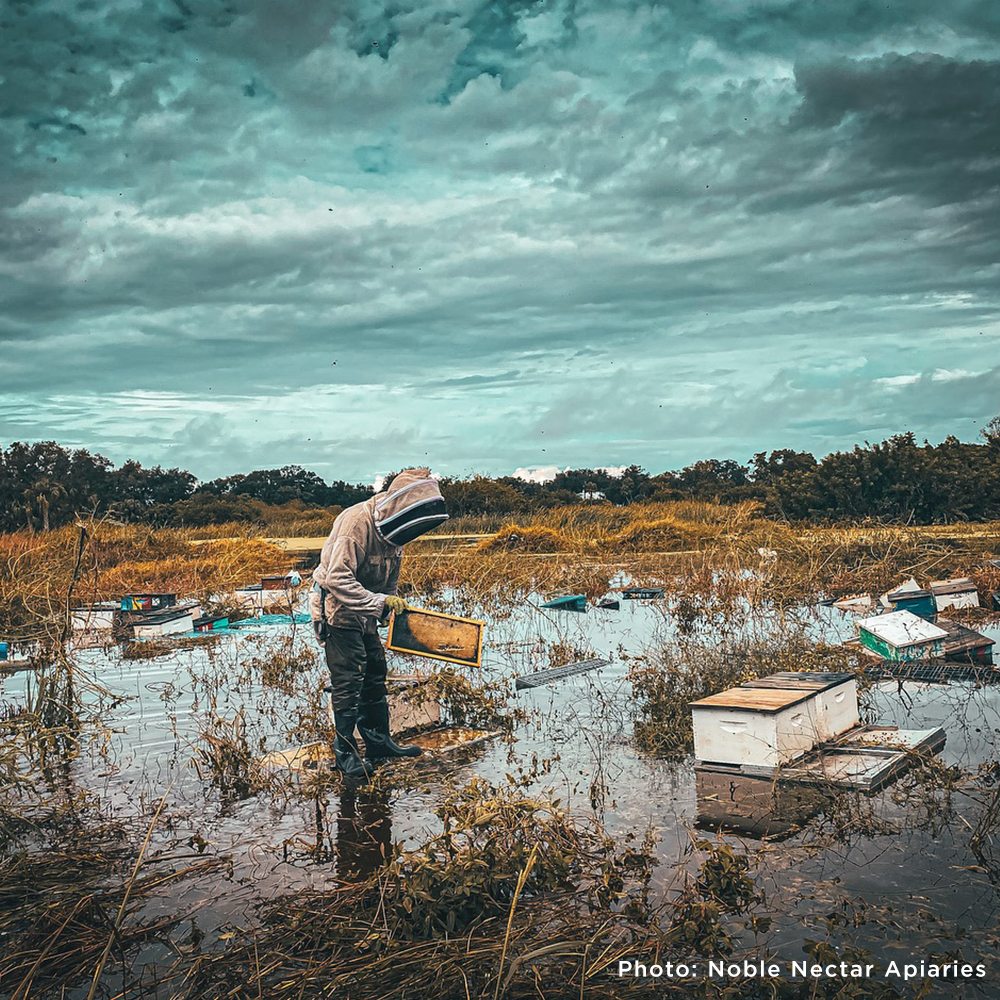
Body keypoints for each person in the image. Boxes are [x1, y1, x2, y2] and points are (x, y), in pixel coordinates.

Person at [310, 468, 448, 779]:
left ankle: (378, 742)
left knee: (374, 671)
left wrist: (388, 608)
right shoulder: (355, 524)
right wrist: (379, 604)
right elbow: (336, 578)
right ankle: (345, 753)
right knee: (349, 678)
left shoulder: (394, 532)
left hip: (366, 609)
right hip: (336, 608)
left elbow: (389, 580)